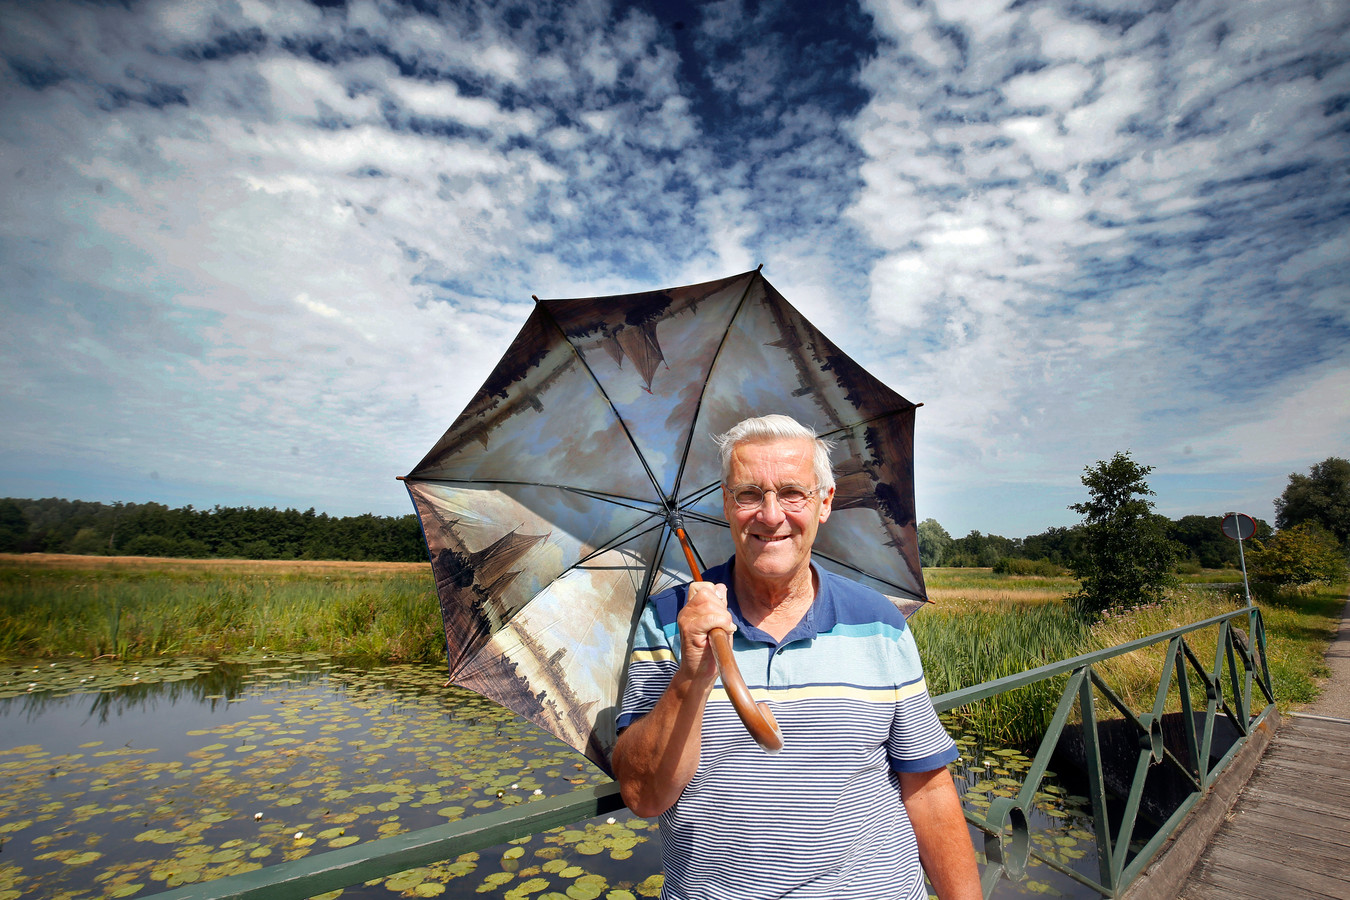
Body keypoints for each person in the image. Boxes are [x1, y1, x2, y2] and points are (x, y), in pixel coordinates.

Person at [611, 414, 980, 900]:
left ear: (824, 503)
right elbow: (643, 797)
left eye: (792, 493)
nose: (769, 514)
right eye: (748, 494)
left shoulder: (879, 622)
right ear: (727, 503)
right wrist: (690, 680)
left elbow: (928, 787)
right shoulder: (668, 622)